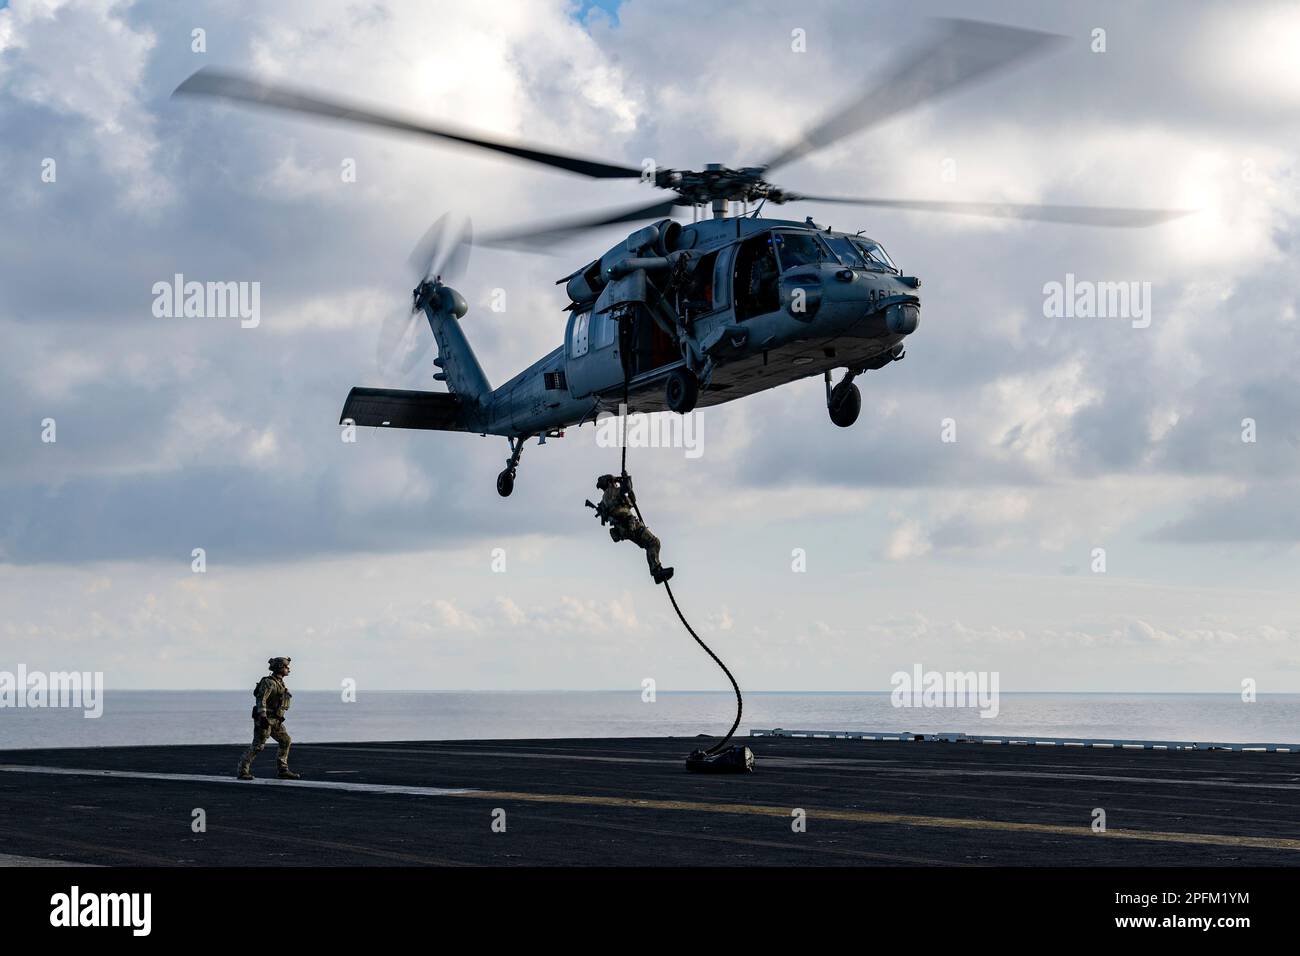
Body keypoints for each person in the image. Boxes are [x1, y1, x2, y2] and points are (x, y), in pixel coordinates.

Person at [590, 474, 673, 584]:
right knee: (653, 542)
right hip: (629, 523)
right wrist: (626, 478)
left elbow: (632, 500)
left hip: (625, 529)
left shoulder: (605, 498)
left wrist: (623, 483)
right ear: (610, 483)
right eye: (614, 482)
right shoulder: (612, 492)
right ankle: (656, 571)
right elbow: (627, 488)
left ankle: (656, 572)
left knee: (649, 544)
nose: (616, 483)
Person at [236, 656, 300, 780]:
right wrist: (263, 717)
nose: (288, 669)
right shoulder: (269, 682)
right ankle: (243, 771)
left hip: (276, 720)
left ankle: (283, 770)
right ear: (280, 667)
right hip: (266, 719)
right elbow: (261, 699)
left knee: (285, 740)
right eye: (286, 667)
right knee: (258, 746)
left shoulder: (280, 683)